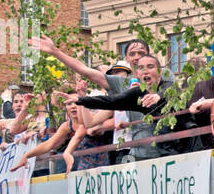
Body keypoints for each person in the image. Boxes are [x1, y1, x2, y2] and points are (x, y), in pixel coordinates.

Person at [70, 54, 202, 159]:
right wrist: (80, 99)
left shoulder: (167, 85)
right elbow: (111, 101)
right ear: (137, 74)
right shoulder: (138, 93)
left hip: (189, 146)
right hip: (165, 151)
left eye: (150, 67)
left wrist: (159, 96)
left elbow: (172, 90)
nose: (146, 71)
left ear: (159, 72)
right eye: (141, 68)